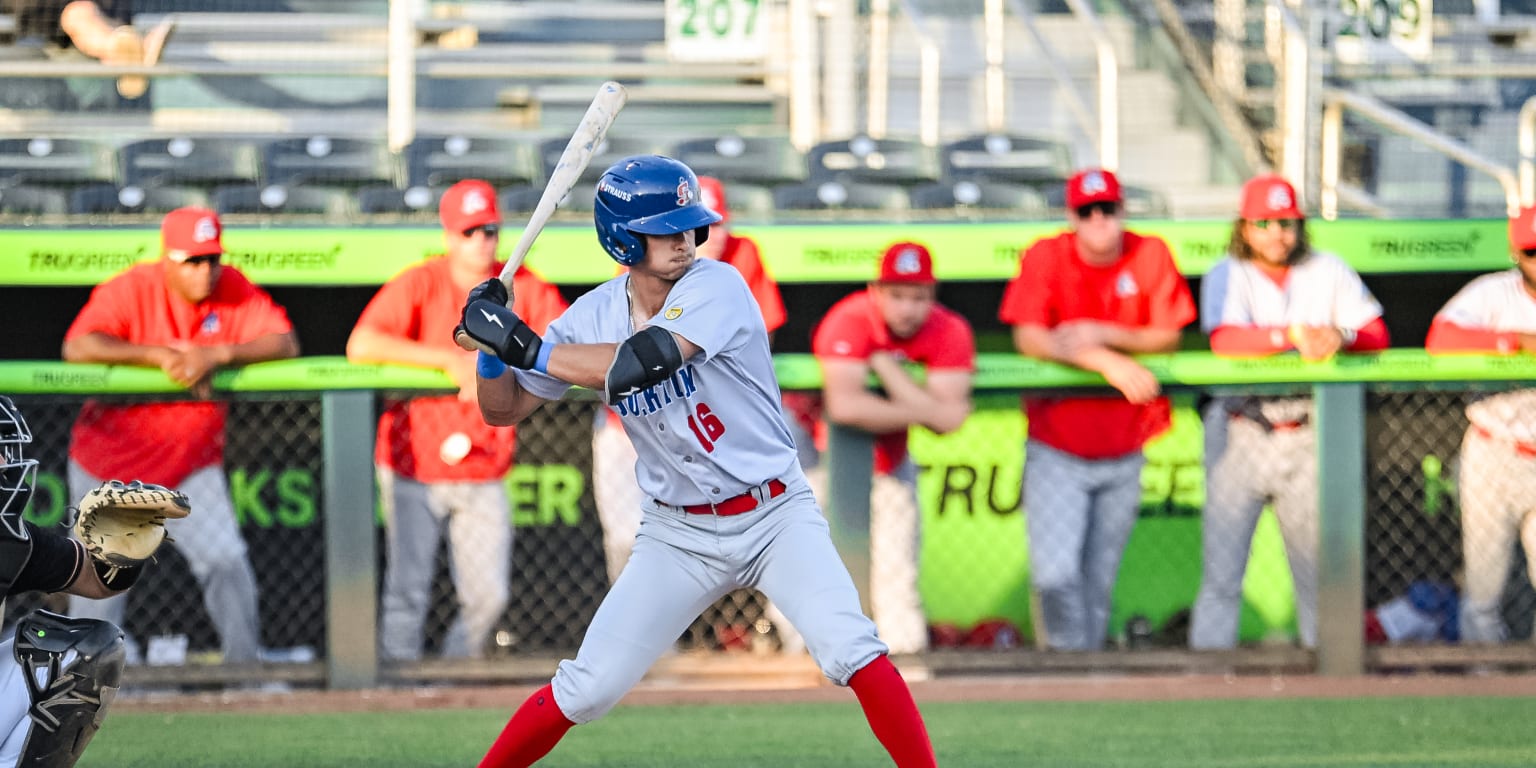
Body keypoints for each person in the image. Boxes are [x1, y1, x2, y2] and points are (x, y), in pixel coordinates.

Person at [460, 155, 937, 768]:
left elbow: (640, 362)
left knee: (853, 650)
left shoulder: (718, 285)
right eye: (667, 227)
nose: (685, 239)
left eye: (690, 225)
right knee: (589, 686)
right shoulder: (591, 316)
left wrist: (522, 340)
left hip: (773, 514)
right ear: (623, 238)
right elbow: (504, 410)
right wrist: (491, 351)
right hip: (678, 531)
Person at [62, 206, 300, 666]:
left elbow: (285, 341)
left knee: (227, 563)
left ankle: (245, 673)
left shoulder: (231, 286)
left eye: (211, 259)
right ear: (167, 259)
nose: (205, 271)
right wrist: (157, 355)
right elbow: (78, 345)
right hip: (112, 468)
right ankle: (81, 686)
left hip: (188, 468)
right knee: (99, 587)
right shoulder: (135, 286)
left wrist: (217, 354)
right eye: (192, 260)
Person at [347, 179, 568, 661]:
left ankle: (450, 677)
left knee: (489, 596)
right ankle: (397, 688)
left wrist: (500, 366)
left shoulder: (524, 284)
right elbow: (361, 344)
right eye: (469, 231)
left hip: (485, 463)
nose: (482, 241)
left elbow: (566, 348)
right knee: (407, 591)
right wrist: (446, 362)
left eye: (489, 229)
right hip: (414, 466)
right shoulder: (422, 281)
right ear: (449, 235)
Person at [998, 168, 1196, 651]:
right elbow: (1028, 336)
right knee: (1054, 574)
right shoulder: (1047, 254)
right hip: (1057, 446)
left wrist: (1103, 333)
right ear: (1072, 216)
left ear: (1122, 211)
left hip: (1124, 446)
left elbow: (1169, 333)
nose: (1099, 220)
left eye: (1108, 209)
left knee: (1097, 581)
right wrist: (1098, 358)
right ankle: (1064, 666)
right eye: (1087, 211)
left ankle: (1089, 678)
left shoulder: (1150, 252)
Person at [1189, 173, 1389, 649]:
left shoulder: (1328, 269)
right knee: (1222, 574)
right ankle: (1207, 679)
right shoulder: (1227, 272)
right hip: (1241, 430)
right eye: (1265, 222)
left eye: (1287, 222)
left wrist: (1341, 337)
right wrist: (1293, 335)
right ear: (1244, 227)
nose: (1278, 233)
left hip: (1303, 430)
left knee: (1316, 570)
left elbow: (1376, 333)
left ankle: (1327, 679)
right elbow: (1225, 341)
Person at [591, 175, 786, 584]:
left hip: (707, 429)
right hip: (634, 426)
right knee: (628, 540)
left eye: (712, 225)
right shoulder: (644, 257)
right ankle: (644, 639)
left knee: (758, 534)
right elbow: (629, 344)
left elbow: (756, 339)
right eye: (690, 227)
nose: (705, 237)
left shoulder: (741, 256)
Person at [808, 240, 975, 655]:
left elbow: (950, 421)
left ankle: (905, 665)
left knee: (896, 572)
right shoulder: (848, 319)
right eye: (896, 295)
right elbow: (844, 407)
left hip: (891, 463)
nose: (907, 308)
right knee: (812, 571)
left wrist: (886, 371)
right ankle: (807, 660)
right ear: (875, 290)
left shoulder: (949, 328)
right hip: (823, 463)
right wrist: (923, 405)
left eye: (918, 296)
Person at [0, 395, 172, 767]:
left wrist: (124, 542)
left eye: (4, 451)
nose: (6, 464)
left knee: (86, 649)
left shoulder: (11, 541)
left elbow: (97, 581)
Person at [1424, 204, 1536, 645]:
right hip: (1495, 449)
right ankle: (1482, 677)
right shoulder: (1493, 293)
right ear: (1516, 253)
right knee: (1483, 584)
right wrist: (1512, 341)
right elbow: (1440, 337)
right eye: (1532, 250)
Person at [5, 1, 173, 99]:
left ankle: (130, 49)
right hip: (55, 23)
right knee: (81, 17)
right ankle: (126, 53)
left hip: (101, 17)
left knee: (88, 17)